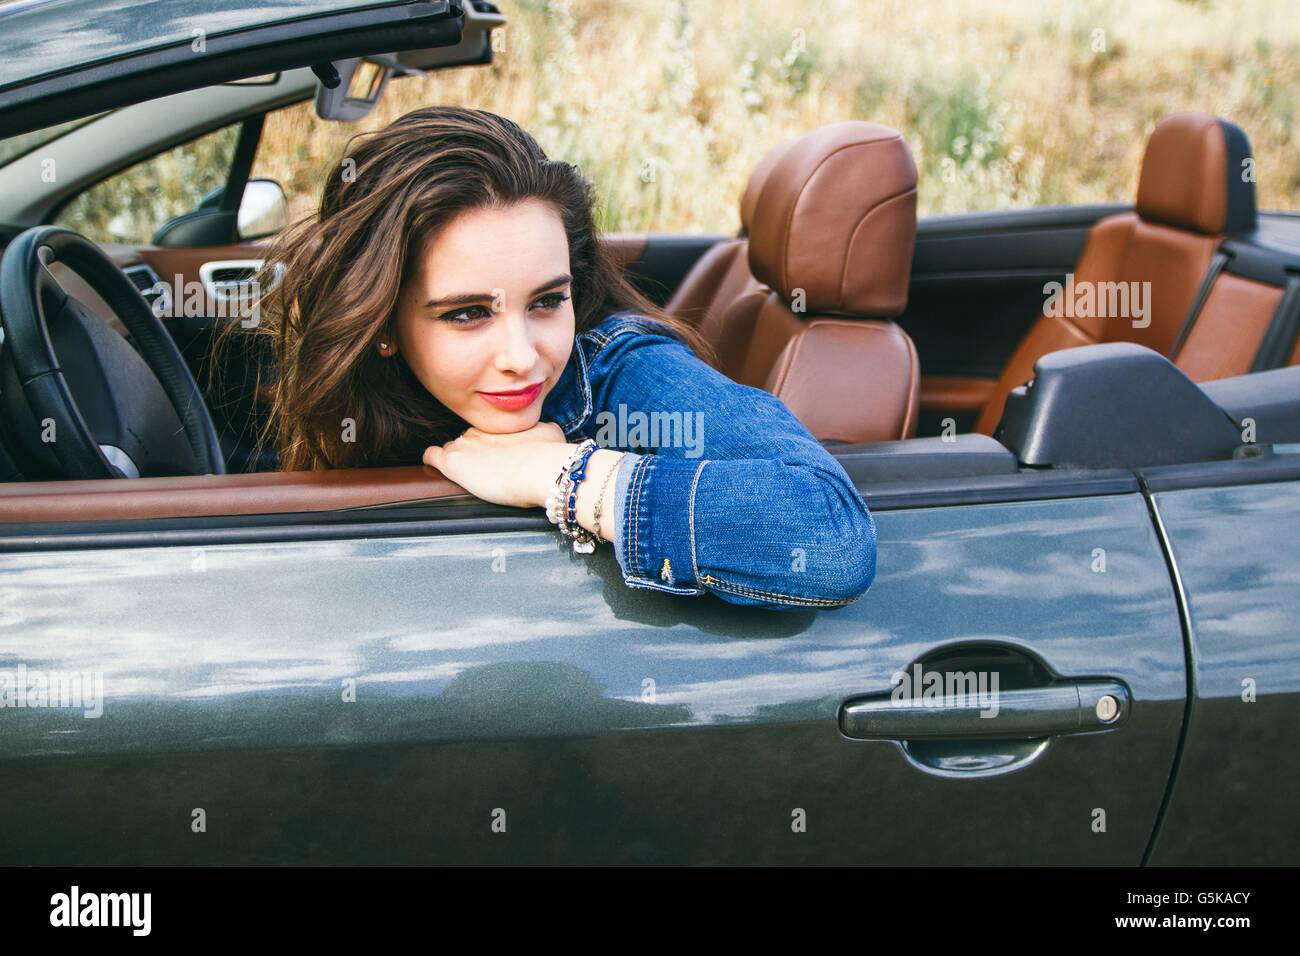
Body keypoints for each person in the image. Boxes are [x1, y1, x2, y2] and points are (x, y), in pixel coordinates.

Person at [227, 105, 876, 609]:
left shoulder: (622, 369)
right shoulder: (369, 393)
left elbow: (827, 534)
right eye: (467, 313)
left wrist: (561, 475)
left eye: (546, 301)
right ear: (384, 325)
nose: (521, 357)